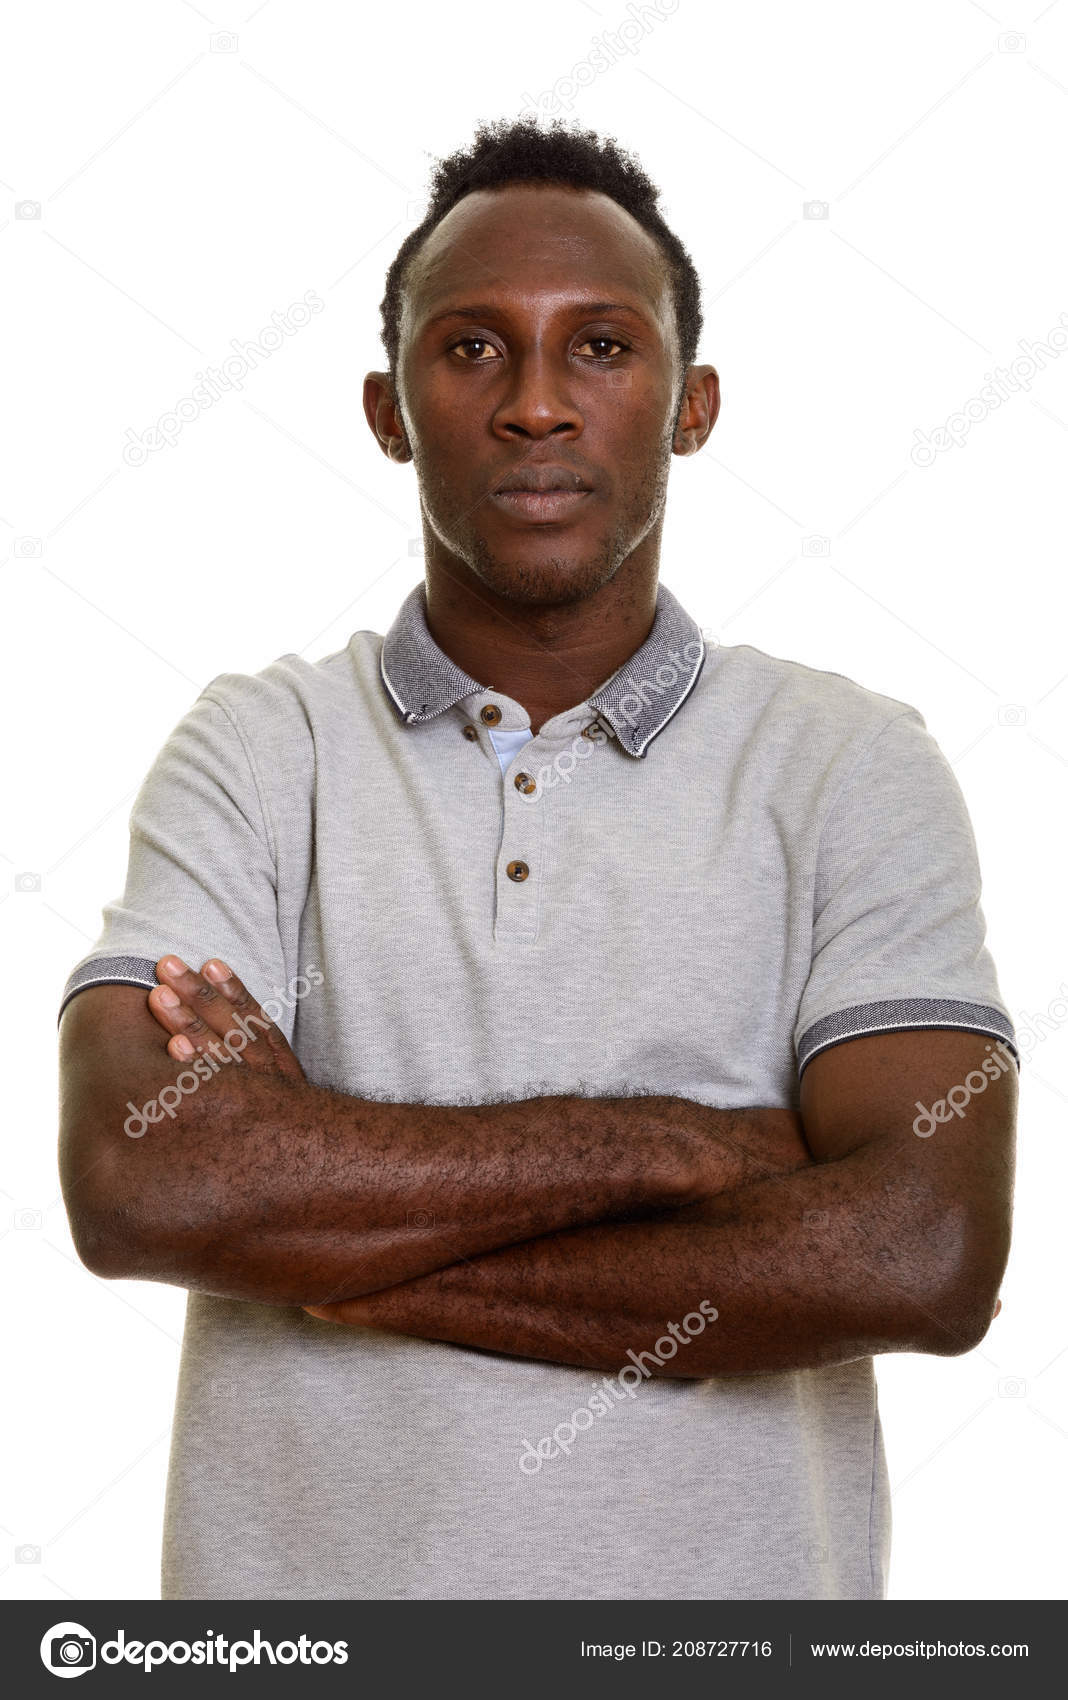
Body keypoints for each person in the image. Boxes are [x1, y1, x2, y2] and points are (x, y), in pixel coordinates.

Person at [57, 116, 1018, 1602]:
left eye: (602, 350)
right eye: (473, 350)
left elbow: (921, 1253)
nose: (536, 407)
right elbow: (143, 1181)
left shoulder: (849, 764)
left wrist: (321, 1232)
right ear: (390, 409)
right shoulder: (262, 749)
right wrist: (694, 1151)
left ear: (691, 406)